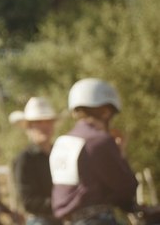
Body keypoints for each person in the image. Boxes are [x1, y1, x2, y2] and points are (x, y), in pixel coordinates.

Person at [49, 78, 139, 224]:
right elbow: (127, 188)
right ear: (105, 112)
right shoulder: (100, 141)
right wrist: (121, 154)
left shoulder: (62, 142)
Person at [10, 97, 61, 225]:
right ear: (29, 127)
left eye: (48, 121)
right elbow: (28, 201)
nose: (44, 126)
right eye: (38, 122)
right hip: (41, 220)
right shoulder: (24, 159)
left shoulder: (60, 151)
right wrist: (62, 202)